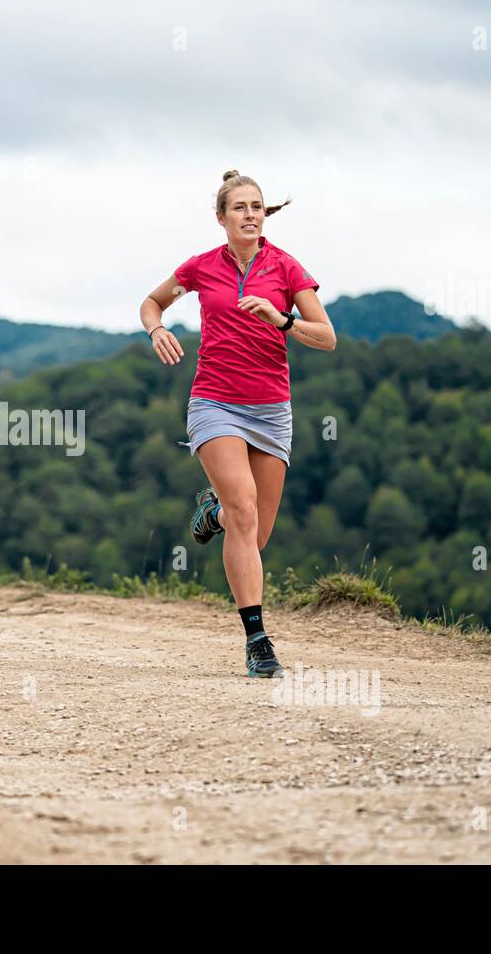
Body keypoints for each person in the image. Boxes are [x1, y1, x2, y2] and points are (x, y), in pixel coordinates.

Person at [139, 170, 337, 677]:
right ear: (222, 217)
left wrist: (282, 319)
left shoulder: (286, 268)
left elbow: (327, 337)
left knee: (253, 533)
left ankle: (213, 513)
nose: (251, 214)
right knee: (244, 512)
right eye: (240, 207)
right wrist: (157, 328)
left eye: (257, 206)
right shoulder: (202, 267)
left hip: (271, 411)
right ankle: (258, 642)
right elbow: (152, 301)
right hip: (215, 403)